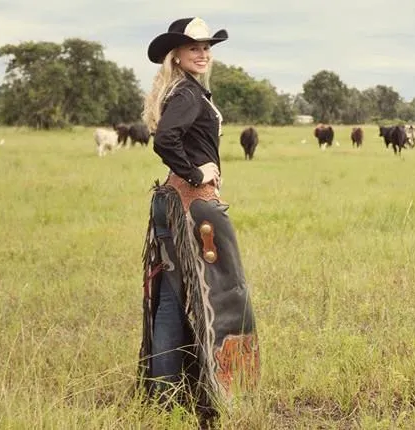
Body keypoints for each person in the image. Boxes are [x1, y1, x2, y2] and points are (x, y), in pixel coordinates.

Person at [136, 16, 260, 416]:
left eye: (207, 47)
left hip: (175, 200)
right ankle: (199, 392)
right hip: (189, 202)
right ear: (177, 53)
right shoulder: (188, 94)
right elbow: (165, 140)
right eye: (194, 47)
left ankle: (166, 394)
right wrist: (196, 172)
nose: (203, 53)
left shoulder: (183, 90)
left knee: (173, 298)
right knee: (219, 297)